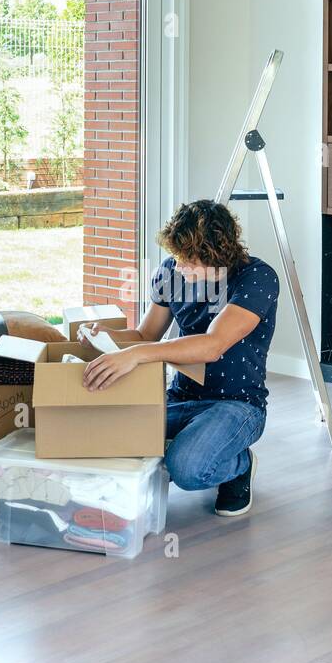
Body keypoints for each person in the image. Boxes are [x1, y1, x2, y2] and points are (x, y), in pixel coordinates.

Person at [80, 200, 279, 517]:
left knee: (186, 468)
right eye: (177, 256)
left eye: (188, 259)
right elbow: (146, 336)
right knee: (109, 435)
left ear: (216, 253)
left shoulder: (256, 278)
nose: (179, 265)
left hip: (237, 403)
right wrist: (106, 336)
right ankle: (191, 445)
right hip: (181, 397)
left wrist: (136, 355)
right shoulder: (171, 272)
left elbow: (213, 345)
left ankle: (240, 464)